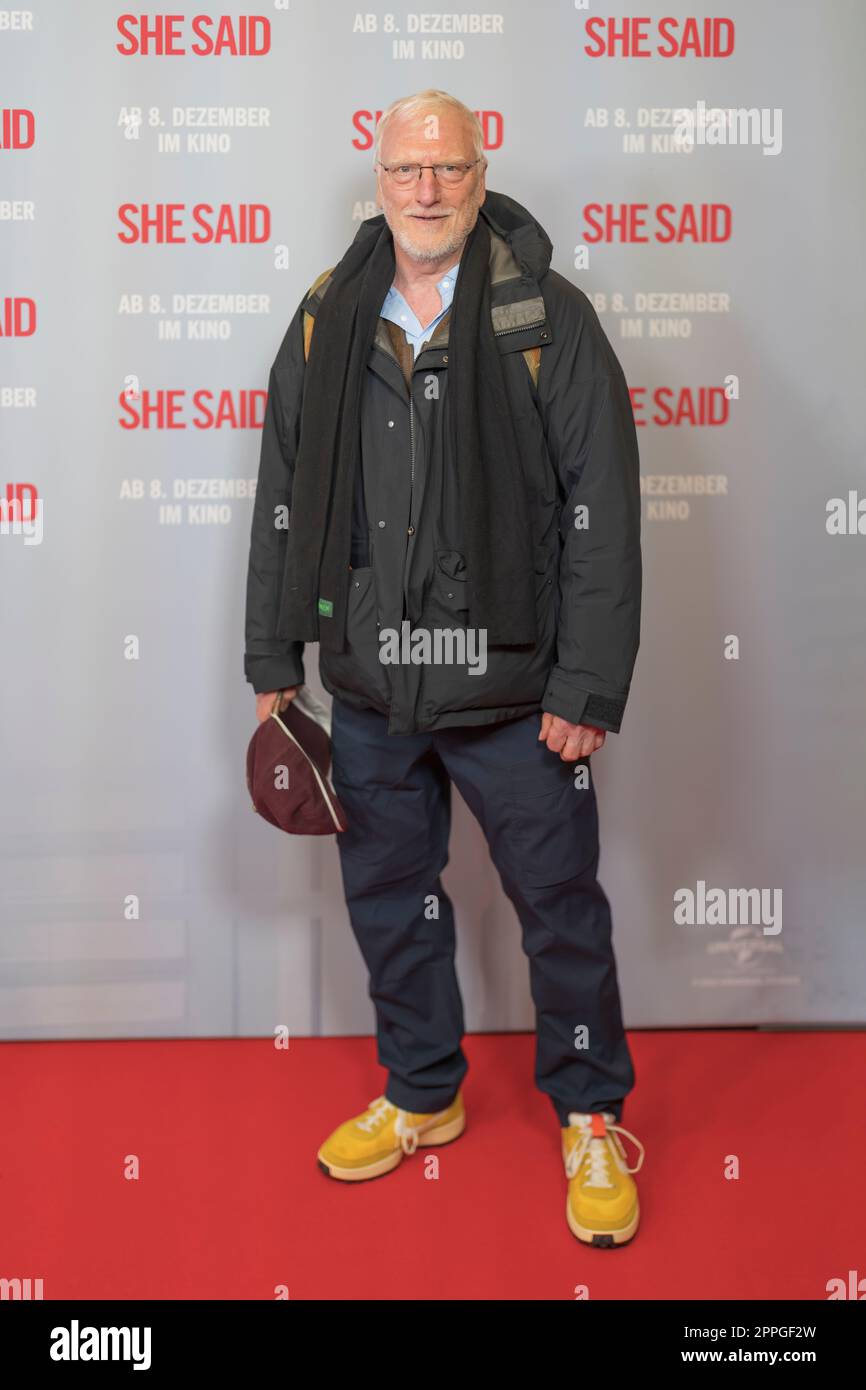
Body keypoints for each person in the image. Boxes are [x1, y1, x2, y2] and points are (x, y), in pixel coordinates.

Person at [244, 88, 645, 1246]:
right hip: (371, 687)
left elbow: (602, 513)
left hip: (512, 688)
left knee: (559, 910)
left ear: (479, 177)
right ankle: (423, 1089)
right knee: (387, 903)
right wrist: (276, 651)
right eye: (406, 170)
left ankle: (587, 1115)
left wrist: (587, 685)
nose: (426, 191)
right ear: (379, 179)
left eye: (448, 170)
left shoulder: (543, 318)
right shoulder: (328, 315)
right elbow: (283, 497)